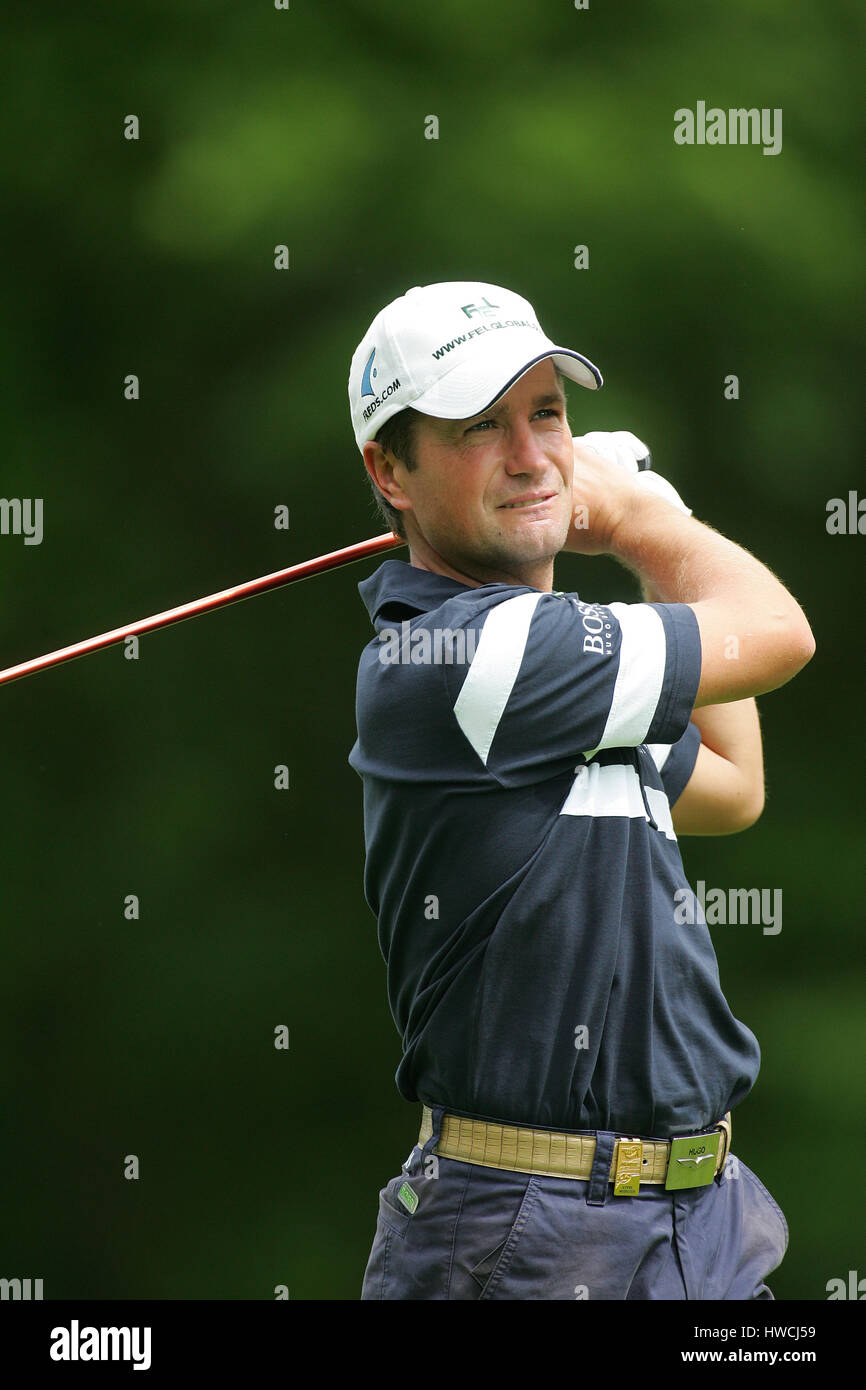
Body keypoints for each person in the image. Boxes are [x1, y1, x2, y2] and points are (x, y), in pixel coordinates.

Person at [346, 281, 814, 1300]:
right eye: (479, 426)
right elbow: (778, 634)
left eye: (546, 413)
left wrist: (656, 526)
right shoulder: (468, 654)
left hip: (700, 1221)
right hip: (526, 1234)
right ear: (390, 470)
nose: (529, 453)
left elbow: (730, 783)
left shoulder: (558, 677)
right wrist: (643, 519)